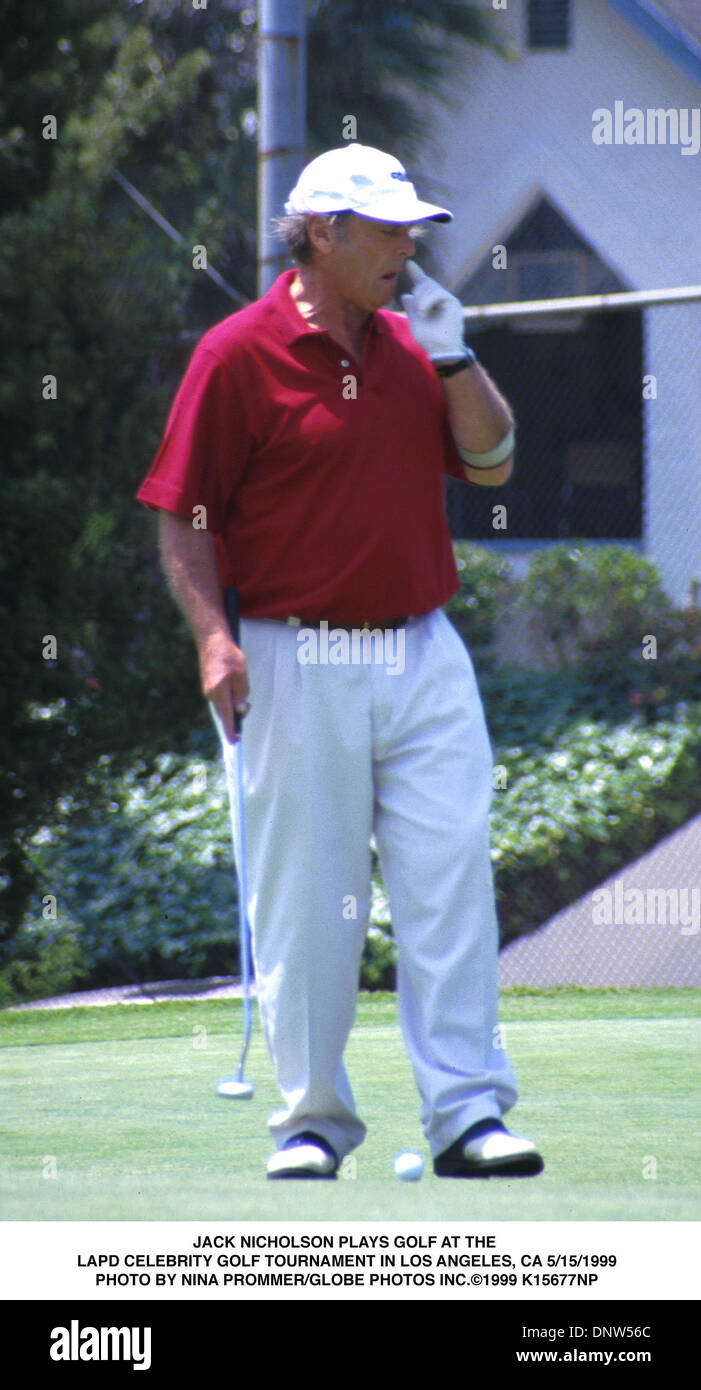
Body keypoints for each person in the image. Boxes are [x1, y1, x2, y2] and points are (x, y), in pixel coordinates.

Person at [136, 143, 543, 1181]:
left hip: (422, 653)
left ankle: (465, 1115)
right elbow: (183, 515)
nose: (407, 248)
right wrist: (212, 638)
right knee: (308, 901)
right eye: (388, 229)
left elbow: (494, 463)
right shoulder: (235, 354)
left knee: (448, 882)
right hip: (289, 655)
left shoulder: (416, 347)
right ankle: (311, 1121)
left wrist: (455, 359)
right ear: (322, 232)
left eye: (412, 228)